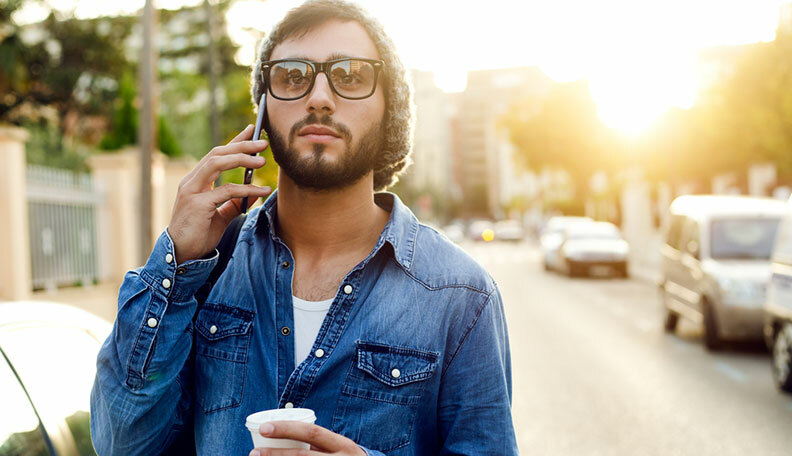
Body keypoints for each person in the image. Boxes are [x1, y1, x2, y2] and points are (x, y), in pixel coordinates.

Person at [90, 1, 517, 454]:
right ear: (263, 113)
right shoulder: (204, 271)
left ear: (390, 110)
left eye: (350, 75)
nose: (318, 97)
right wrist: (175, 265)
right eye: (292, 76)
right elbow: (122, 444)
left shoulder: (463, 296)